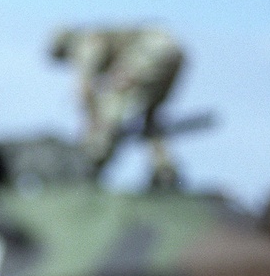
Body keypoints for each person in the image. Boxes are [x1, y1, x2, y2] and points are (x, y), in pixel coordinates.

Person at [50, 26, 184, 188]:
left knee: (113, 98)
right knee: (150, 114)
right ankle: (164, 168)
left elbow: (85, 90)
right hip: (172, 52)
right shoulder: (102, 38)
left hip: (151, 51)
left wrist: (92, 125)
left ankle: (93, 158)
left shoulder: (86, 43)